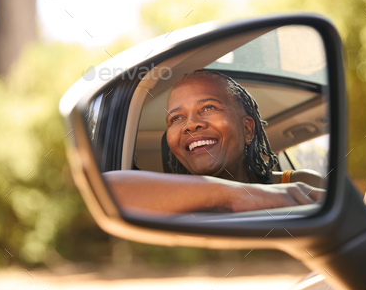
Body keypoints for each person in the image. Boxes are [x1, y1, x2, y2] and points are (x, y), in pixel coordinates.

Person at [104, 69, 326, 215]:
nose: (190, 125)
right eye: (176, 118)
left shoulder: (298, 185)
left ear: (248, 129)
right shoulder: (168, 200)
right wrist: (241, 197)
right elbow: (109, 187)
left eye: (208, 107)